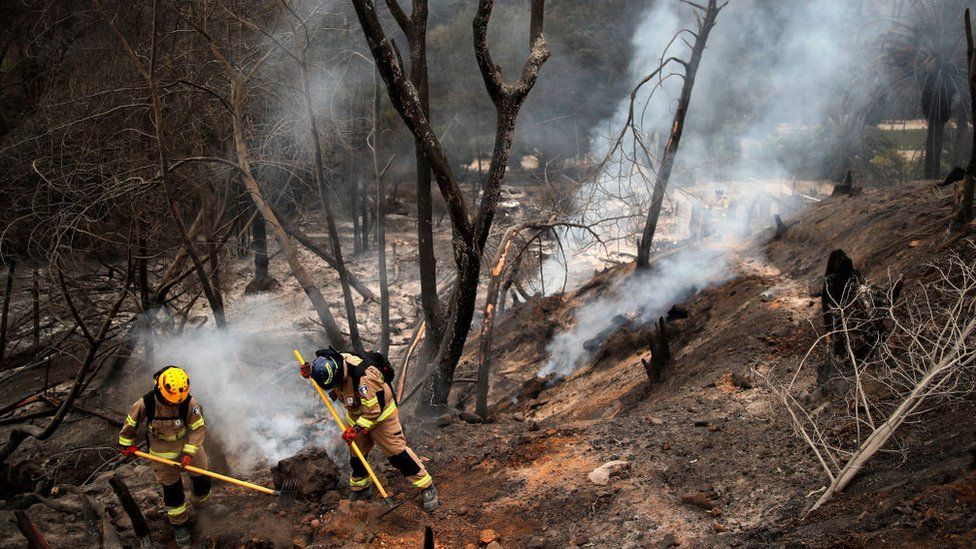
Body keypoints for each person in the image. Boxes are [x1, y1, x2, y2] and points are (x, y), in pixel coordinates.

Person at [300, 347, 439, 512]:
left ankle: (426, 486)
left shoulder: (364, 377)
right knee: (357, 454)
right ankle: (362, 488)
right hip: (357, 415)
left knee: (396, 453)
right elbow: (329, 380)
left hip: (381, 417)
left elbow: (373, 412)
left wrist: (356, 429)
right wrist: (312, 375)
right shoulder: (333, 364)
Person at [118, 366, 219, 546]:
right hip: (162, 452)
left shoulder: (190, 403)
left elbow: (198, 429)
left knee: (202, 479)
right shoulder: (145, 403)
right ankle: (180, 525)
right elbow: (130, 424)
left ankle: (203, 508)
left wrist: (189, 453)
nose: (173, 404)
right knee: (173, 491)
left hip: (189, 446)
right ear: (161, 389)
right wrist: (127, 444)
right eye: (170, 400)